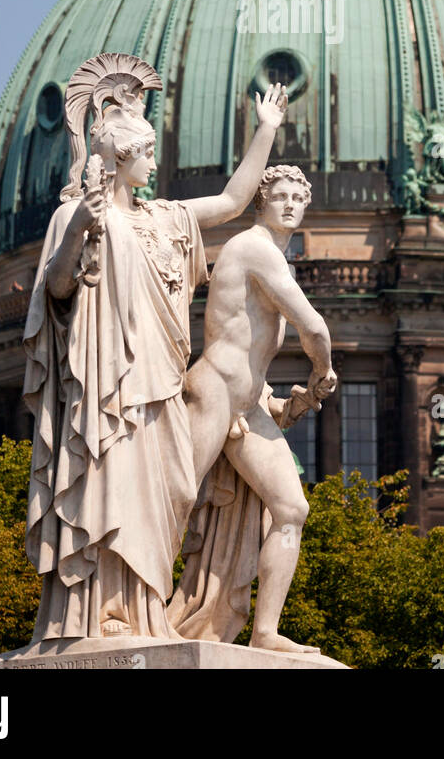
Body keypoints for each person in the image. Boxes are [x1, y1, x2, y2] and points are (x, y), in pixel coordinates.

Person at [23, 52, 287, 642]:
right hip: (106, 384)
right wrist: (77, 233)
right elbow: (60, 290)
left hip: (163, 381)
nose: (154, 161)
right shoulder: (76, 214)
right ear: (120, 158)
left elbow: (232, 203)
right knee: (108, 488)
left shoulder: (168, 219)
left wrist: (266, 130)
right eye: (145, 152)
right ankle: (100, 613)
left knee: (164, 495)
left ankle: (144, 612)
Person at [169, 164, 336, 653]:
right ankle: (137, 607)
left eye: (297, 197)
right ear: (261, 202)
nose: (289, 204)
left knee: (292, 508)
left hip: (246, 402)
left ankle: (264, 632)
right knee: (176, 502)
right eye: (279, 195)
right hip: (213, 392)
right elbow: (315, 327)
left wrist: (281, 402)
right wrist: (322, 370)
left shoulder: (273, 258)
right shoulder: (252, 248)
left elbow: (253, 361)